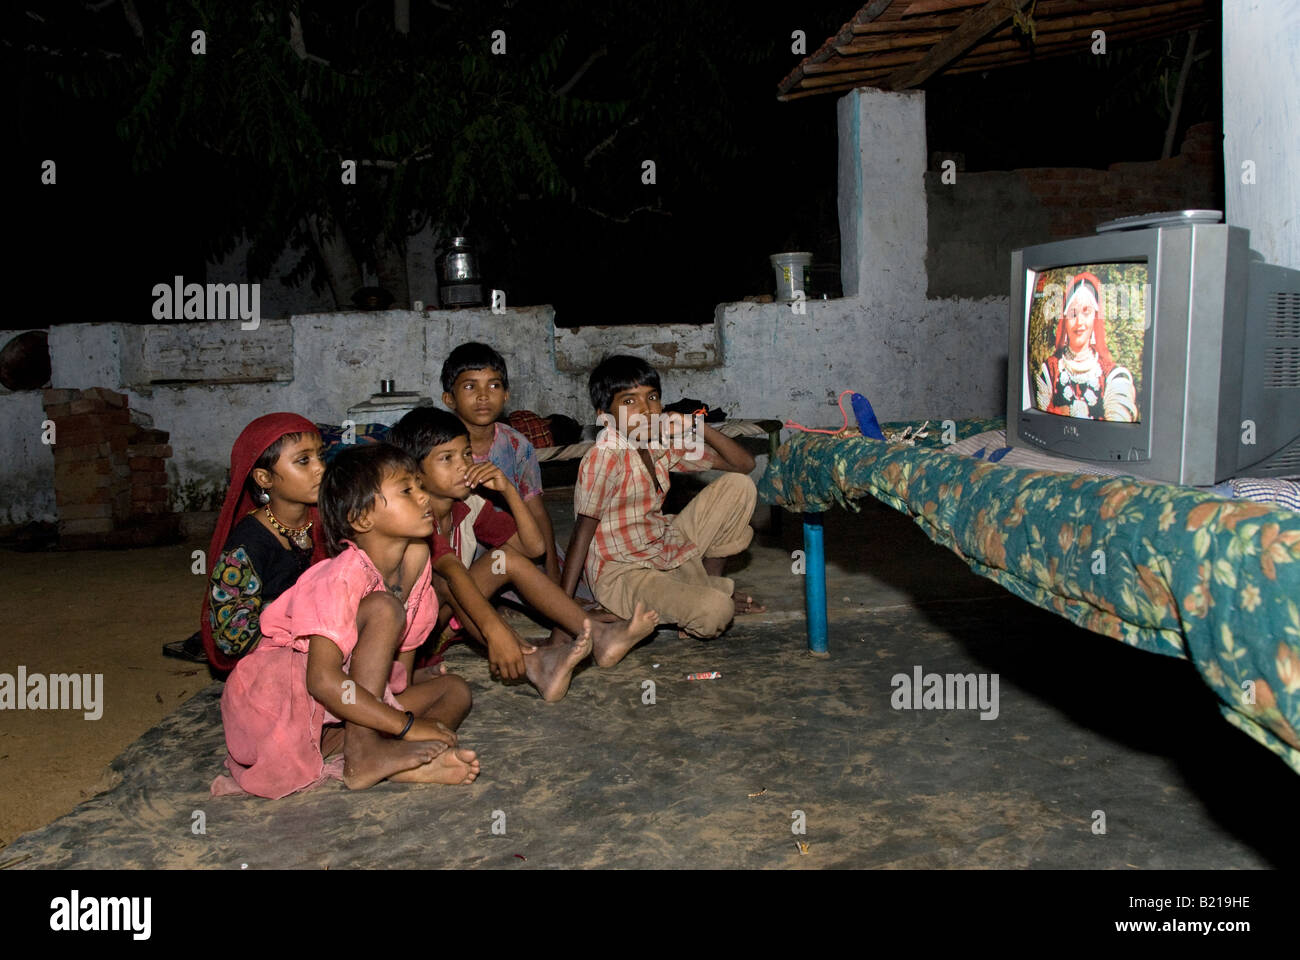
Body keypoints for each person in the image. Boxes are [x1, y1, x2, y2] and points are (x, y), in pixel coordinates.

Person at [215, 444, 479, 799]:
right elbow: (322, 681)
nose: (423, 496)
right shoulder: (338, 577)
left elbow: (392, 679)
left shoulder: (418, 565)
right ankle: (366, 753)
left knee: (455, 691)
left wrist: (404, 713)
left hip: (332, 716)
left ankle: (392, 760)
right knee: (385, 608)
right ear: (361, 518)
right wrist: (404, 725)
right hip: (279, 701)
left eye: (420, 485)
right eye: (406, 490)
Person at [387, 407, 659, 701]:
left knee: (505, 559)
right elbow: (450, 573)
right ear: (414, 472)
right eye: (446, 458)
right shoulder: (413, 518)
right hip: (397, 643)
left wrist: (507, 490)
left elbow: (533, 548)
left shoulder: (468, 505)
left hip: (437, 630)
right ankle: (533, 663)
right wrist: (496, 632)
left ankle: (598, 635)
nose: (462, 466)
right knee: (446, 580)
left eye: (466, 454)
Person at [562, 355, 764, 640]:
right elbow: (582, 533)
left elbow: (743, 464)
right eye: (629, 401)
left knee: (739, 486)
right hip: (623, 573)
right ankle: (699, 597)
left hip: (660, 549)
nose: (645, 410)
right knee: (717, 611)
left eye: (652, 397)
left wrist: (697, 425)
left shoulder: (659, 443)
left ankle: (702, 587)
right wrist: (563, 609)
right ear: (604, 415)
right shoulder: (605, 456)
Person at [166, 413, 327, 668]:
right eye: (303, 460)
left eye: (321, 456)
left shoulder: (326, 522)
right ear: (265, 478)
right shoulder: (246, 545)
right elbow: (232, 636)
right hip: (273, 654)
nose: (320, 467)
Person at [440, 342, 562, 583]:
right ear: (449, 399)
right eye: (469, 386)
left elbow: (536, 511)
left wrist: (554, 574)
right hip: (462, 548)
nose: (483, 396)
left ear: (506, 395)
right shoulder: (441, 450)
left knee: (554, 577)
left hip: (515, 538)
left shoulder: (516, 444)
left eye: (494, 385)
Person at [1034, 271, 1137, 422]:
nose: (1079, 322)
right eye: (1073, 313)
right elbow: (1040, 422)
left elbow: (1118, 430)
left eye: (1086, 312)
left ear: (1095, 317)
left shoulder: (1113, 377)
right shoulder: (1049, 371)